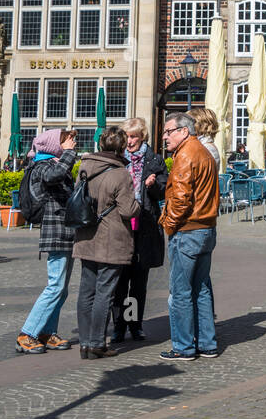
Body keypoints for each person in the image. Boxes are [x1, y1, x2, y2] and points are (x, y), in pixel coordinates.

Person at [74, 126, 140, 360]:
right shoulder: (120, 172)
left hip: (86, 236)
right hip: (111, 239)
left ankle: (84, 343)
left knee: (86, 291)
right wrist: (139, 204)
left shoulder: (85, 166)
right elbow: (128, 210)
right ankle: (97, 343)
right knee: (105, 292)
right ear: (122, 147)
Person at [160, 113, 220, 361]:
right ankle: (207, 344)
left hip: (188, 229)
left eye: (169, 131)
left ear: (184, 131)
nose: (165, 137)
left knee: (181, 292)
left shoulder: (186, 154)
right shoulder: (204, 151)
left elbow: (181, 198)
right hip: (207, 227)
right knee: (202, 288)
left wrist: (169, 224)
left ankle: (183, 347)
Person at [15, 129, 78, 355]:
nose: (70, 144)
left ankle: (47, 331)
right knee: (55, 286)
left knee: (61, 288)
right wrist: (69, 153)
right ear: (53, 145)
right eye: (64, 141)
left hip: (65, 230)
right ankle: (27, 333)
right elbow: (55, 176)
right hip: (56, 231)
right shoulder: (42, 166)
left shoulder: (52, 163)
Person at [111, 117, 167, 343]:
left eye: (134, 136)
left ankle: (134, 324)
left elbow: (164, 190)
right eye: (127, 136)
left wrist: (154, 185)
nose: (130, 141)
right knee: (119, 282)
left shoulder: (154, 160)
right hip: (120, 225)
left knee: (138, 282)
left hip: (143, 226)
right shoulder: (116, 159)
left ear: (142, 137)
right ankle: (118, 326)